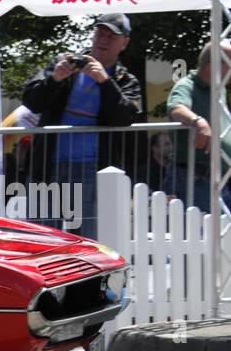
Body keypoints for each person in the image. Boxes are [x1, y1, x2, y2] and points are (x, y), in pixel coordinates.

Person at [22, 13, 143, 239]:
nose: (103, 40)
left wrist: (105, 83)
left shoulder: (126, 79)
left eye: (111, 36)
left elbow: (125, 118)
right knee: (43, 242)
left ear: (124, 43)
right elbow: (31, 100)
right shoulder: (65, 64)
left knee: (90, 243)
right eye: (99, 33)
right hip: (48, 168)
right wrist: (54, 78)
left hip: (94, 172)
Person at [166, 39, 231, 215]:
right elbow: (176, 108)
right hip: (196, 178)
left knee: (222, 236)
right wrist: (198, 122)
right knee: (203, 236)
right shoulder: (186, 85)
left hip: (218, 177)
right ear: (213, 66)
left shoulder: (219, 89)